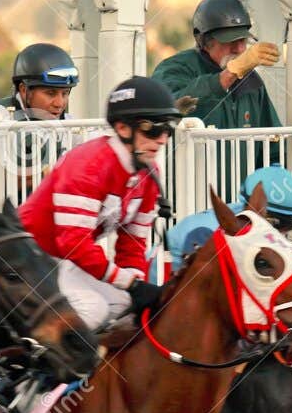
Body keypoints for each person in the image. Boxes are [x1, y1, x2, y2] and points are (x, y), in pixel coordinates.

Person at [19, 75, 179, 329]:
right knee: (93, 308)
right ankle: (32, 365)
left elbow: (133, 244)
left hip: (64, 260)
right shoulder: (88, 165)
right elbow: (74, 243)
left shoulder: (150, 175)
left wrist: (134, 284)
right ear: (123, 128)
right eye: (153, 128)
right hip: (27, 257)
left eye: (168, 129)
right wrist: (131, 284)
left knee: (125, 306)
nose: (162, 139)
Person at [151, 0, 283, 131]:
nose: (238, 49)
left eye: (242, 40)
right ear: (204, 41)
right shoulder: (175, 68)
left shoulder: (251, 80)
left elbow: (274, 140)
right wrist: (229, 74)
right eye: (230, 41)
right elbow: (166, 110)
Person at [167, 164, 292, 272]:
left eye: (289, 226)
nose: (280, 235)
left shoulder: (242, 215)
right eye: (276, 226)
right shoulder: (206, 233)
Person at [0, 42, 79, 120]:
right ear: (23, 90)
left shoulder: (69, 122)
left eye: (65, 93)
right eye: (51, 93)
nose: (59, 104)